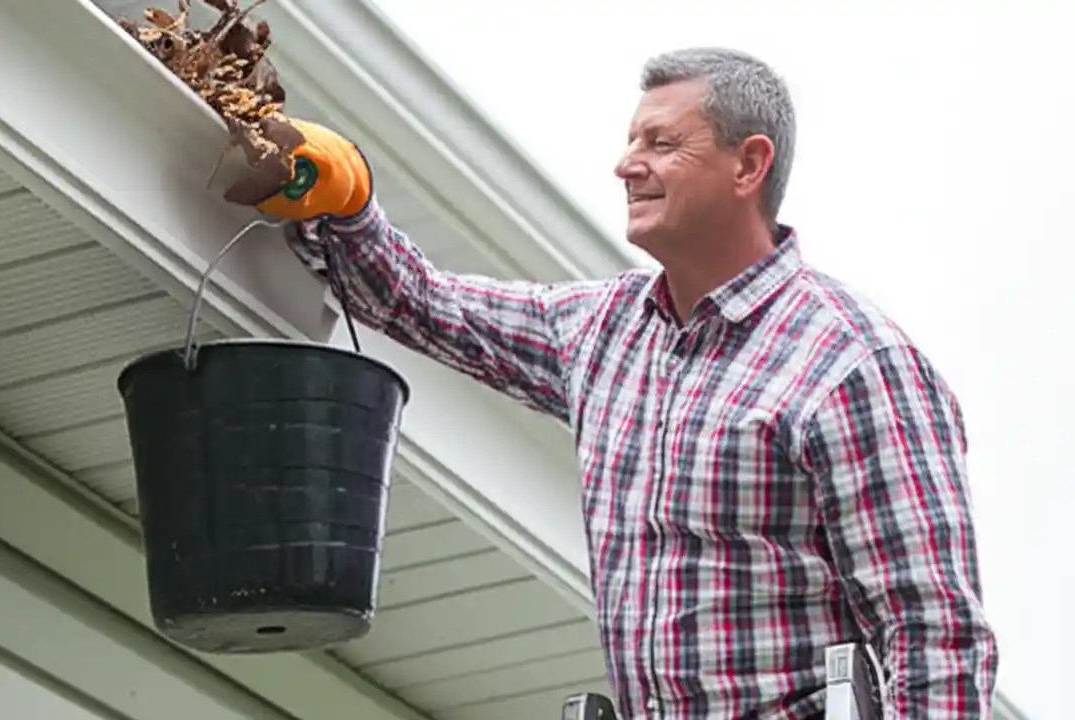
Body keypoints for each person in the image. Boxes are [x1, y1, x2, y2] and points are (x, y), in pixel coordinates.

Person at [224, 47, 998, 720]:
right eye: (632, 142)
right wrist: (347, 199)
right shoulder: (603, 330)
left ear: (749, 165)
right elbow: (429, 306)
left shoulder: (852, 364)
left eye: (661, 143)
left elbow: (933, 635)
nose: (628, 164)